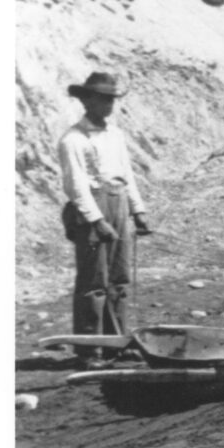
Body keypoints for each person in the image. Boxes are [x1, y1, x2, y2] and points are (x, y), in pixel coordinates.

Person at [58, 70, 154, 350]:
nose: (108, 105)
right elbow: (76, 185)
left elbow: (126, 175)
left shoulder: (116, 135)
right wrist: (96, 220)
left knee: (120, 277)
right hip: (93, 206)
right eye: (102, 99)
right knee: (94, 280)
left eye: (111, 99)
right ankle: (90, 348)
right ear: (86, 101)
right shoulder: (73, 139)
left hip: (119, 202)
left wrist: (138, 210)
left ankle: (117, 342)